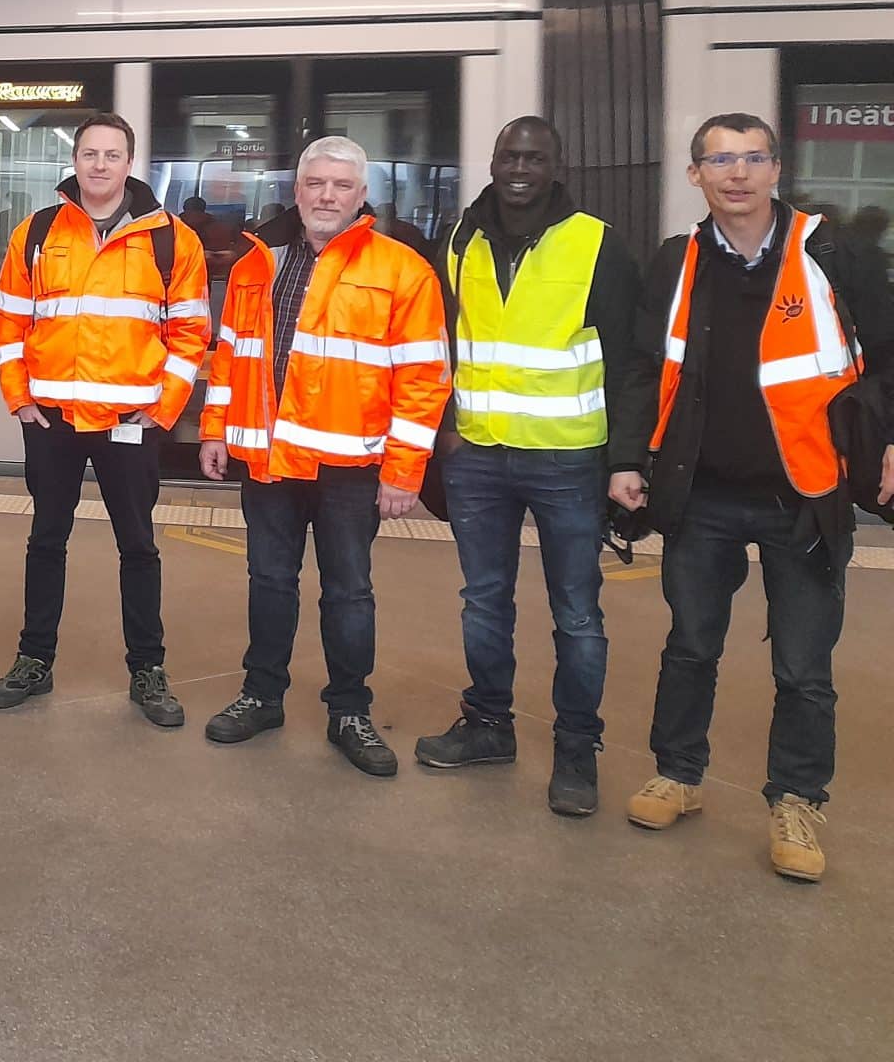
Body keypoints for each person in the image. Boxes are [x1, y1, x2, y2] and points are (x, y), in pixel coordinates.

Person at [611, 112, 894, 881]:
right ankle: (679, 773)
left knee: (805, 666)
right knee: (690, 645)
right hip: (699, 493)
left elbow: (888, 357)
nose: (736, 173)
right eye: (718, 160)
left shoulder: (833, 253)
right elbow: (643, 366)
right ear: (695, 176)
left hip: (804, 495)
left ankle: (798, 800)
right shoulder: (677, 262)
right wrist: (627, 460)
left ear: (776, 169)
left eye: (752, 158)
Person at [199, 136, 449, 778]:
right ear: (298, 191)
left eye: (341, 186)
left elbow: (423, 378)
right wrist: (215, 430)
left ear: (362, 196)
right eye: (316, 184)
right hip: (268, 462)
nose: (327, 196)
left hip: (350, 468)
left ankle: (349, 710)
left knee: (349, 592)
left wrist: (403, 472)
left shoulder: (401, 269)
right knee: (269, 582)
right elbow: (229, 356)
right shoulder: (259, 263)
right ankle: (262, 695)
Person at [412, 117, 641, 817]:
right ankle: (489, 725)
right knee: (484, 602)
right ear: (492, 160)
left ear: (555, 165)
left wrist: (625, 460)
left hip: (568, 458)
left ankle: (576, 747)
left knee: (576, 614)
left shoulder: (596, 242)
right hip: (478, 456)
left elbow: (632, 365)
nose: (519, 167)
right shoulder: (460, 238)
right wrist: (444, 431)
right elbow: (441, 340)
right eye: (509, 155)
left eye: (533, 157)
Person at [0, 112, 210, 728]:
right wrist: (19, 397)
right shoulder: (36, 233)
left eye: (112, 155)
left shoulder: (171, 240)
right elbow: (10, 321)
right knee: (45, 540)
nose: (100, 165)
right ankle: (34, 659)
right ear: (75, 160)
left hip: (130, 422)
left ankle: (148, 668)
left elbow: (191, 335)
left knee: (138, 545)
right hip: (52, 419)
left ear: (129, 164)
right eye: (90, 154)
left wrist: (161, 411)